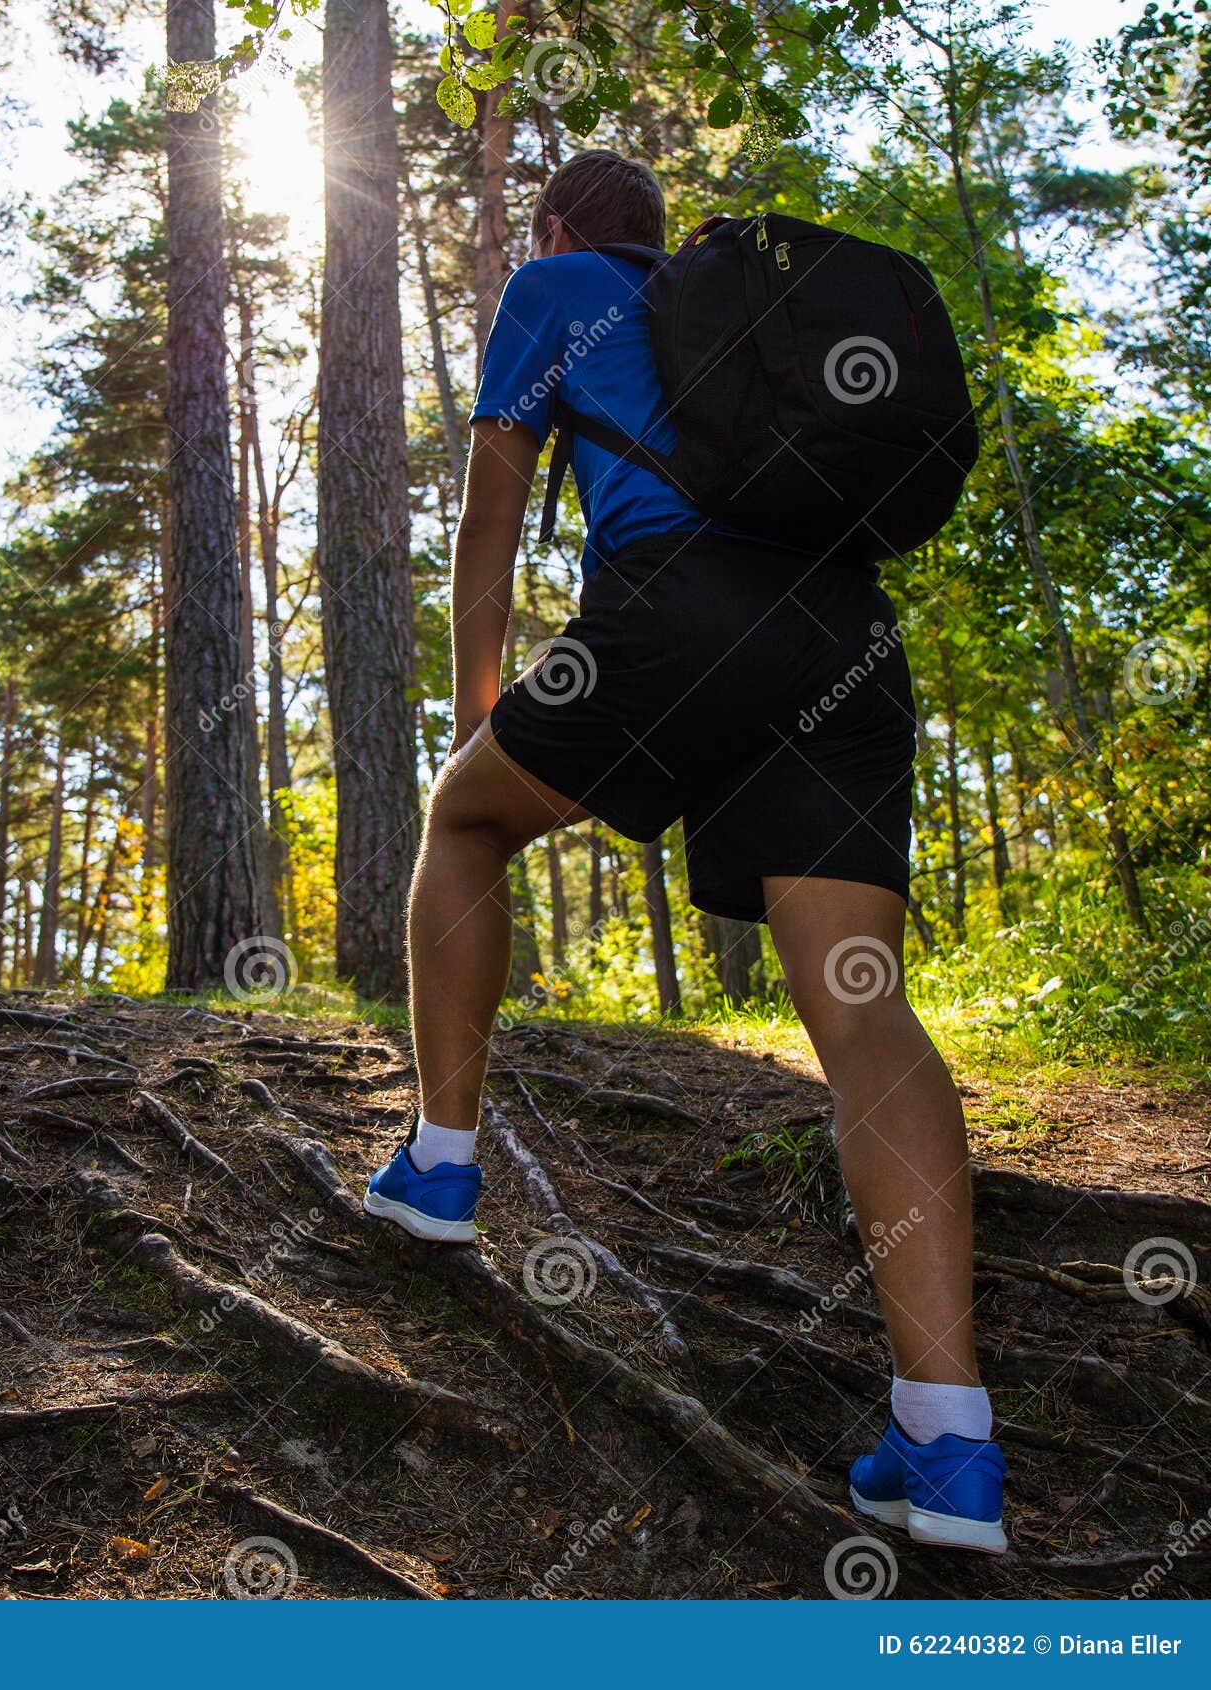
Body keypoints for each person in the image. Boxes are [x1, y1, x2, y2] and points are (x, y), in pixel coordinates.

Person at [362, 149, 1006, 1555]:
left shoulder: (555, 286)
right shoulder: (753, 310)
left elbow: (490, 506)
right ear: (670, 233)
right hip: (846, 638)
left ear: (555, 227)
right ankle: (950, 1438)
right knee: (862, 1008)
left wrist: (483, 710)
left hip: (681, 613)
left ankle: (442, 1163)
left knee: (464, 823)